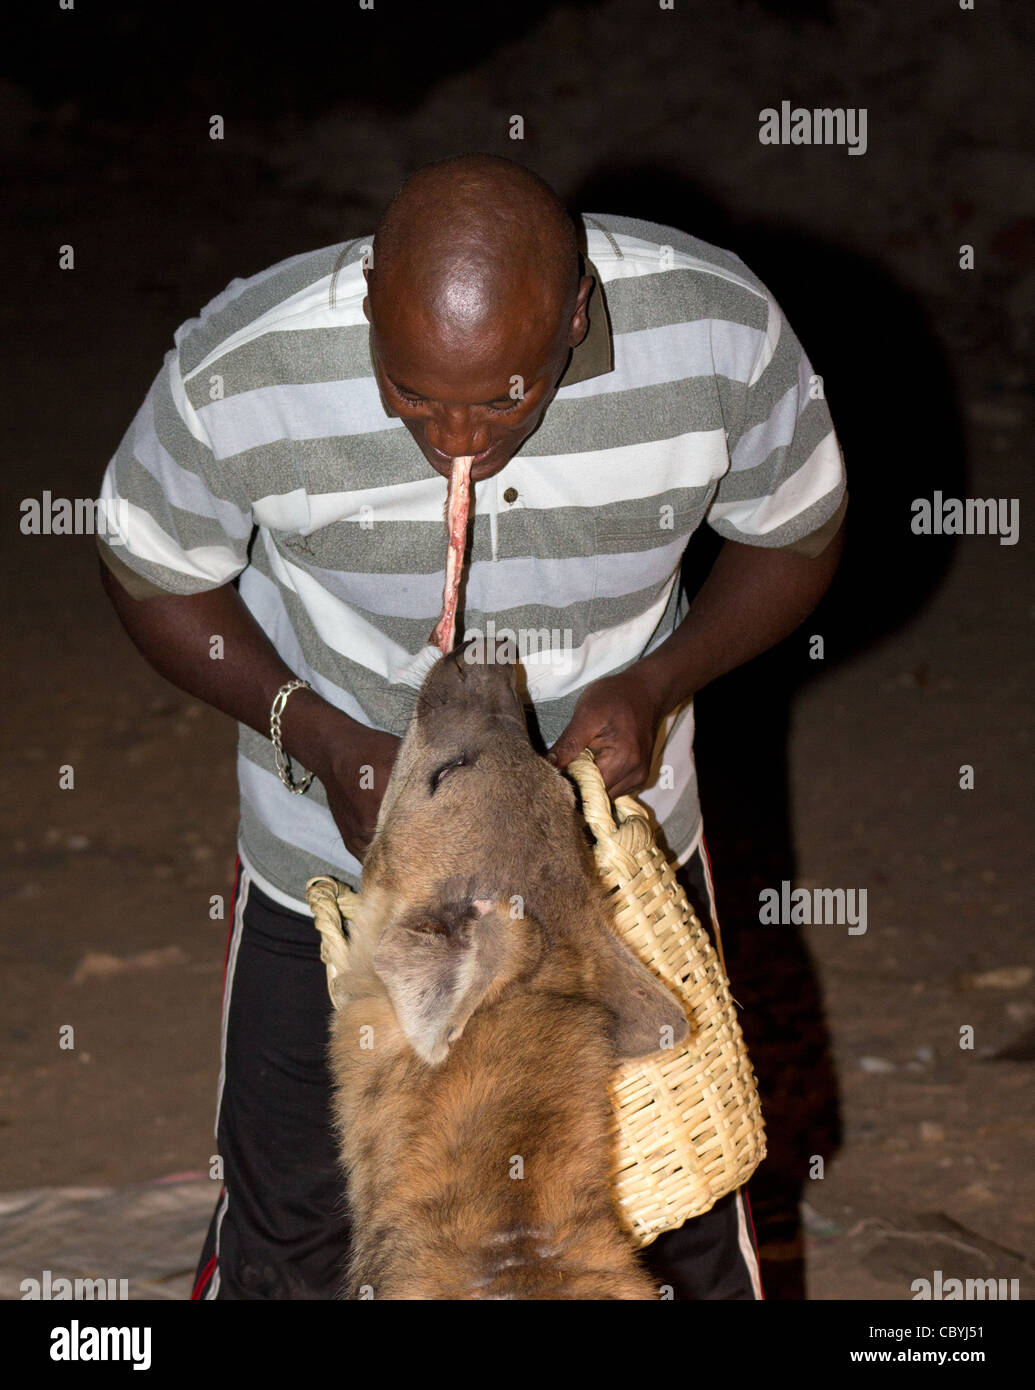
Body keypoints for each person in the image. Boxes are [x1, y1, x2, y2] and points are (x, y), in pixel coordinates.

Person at [96, 153, 846, 1300]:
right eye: (411, 396)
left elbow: (795, 536)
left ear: (581, 317)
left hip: (606, 876)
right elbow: (150, 567)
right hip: (334, 871)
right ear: (363, 314)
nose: (456, 439)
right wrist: (313, 729)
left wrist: (658, 681)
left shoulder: (715, 332)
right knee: (291, 1229)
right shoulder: (244, 367)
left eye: (508, 395)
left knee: (676, 1226)